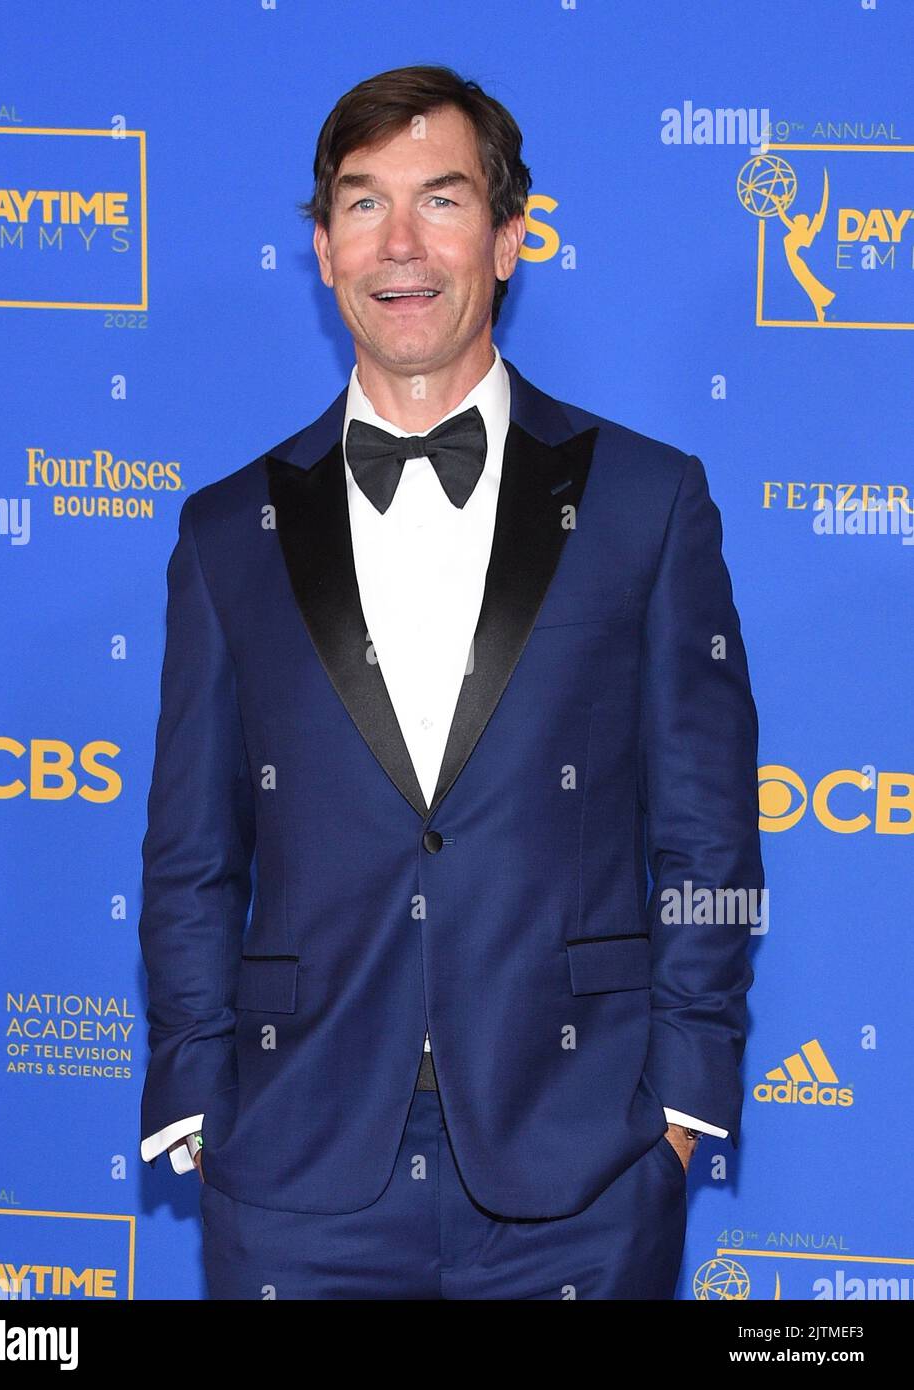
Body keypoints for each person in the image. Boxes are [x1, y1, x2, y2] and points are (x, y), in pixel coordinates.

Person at [137, 64, 763, 1300]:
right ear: (322, 250)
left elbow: (711, 838)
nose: (404, 245)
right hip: (296, 1159)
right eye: (364, 206)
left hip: (583, 1159)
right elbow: (190, 852)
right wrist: (197, 1089)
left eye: (443, 199)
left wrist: (687, 1093)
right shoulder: (225, 532)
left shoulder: (648, 501)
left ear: (512, 234)